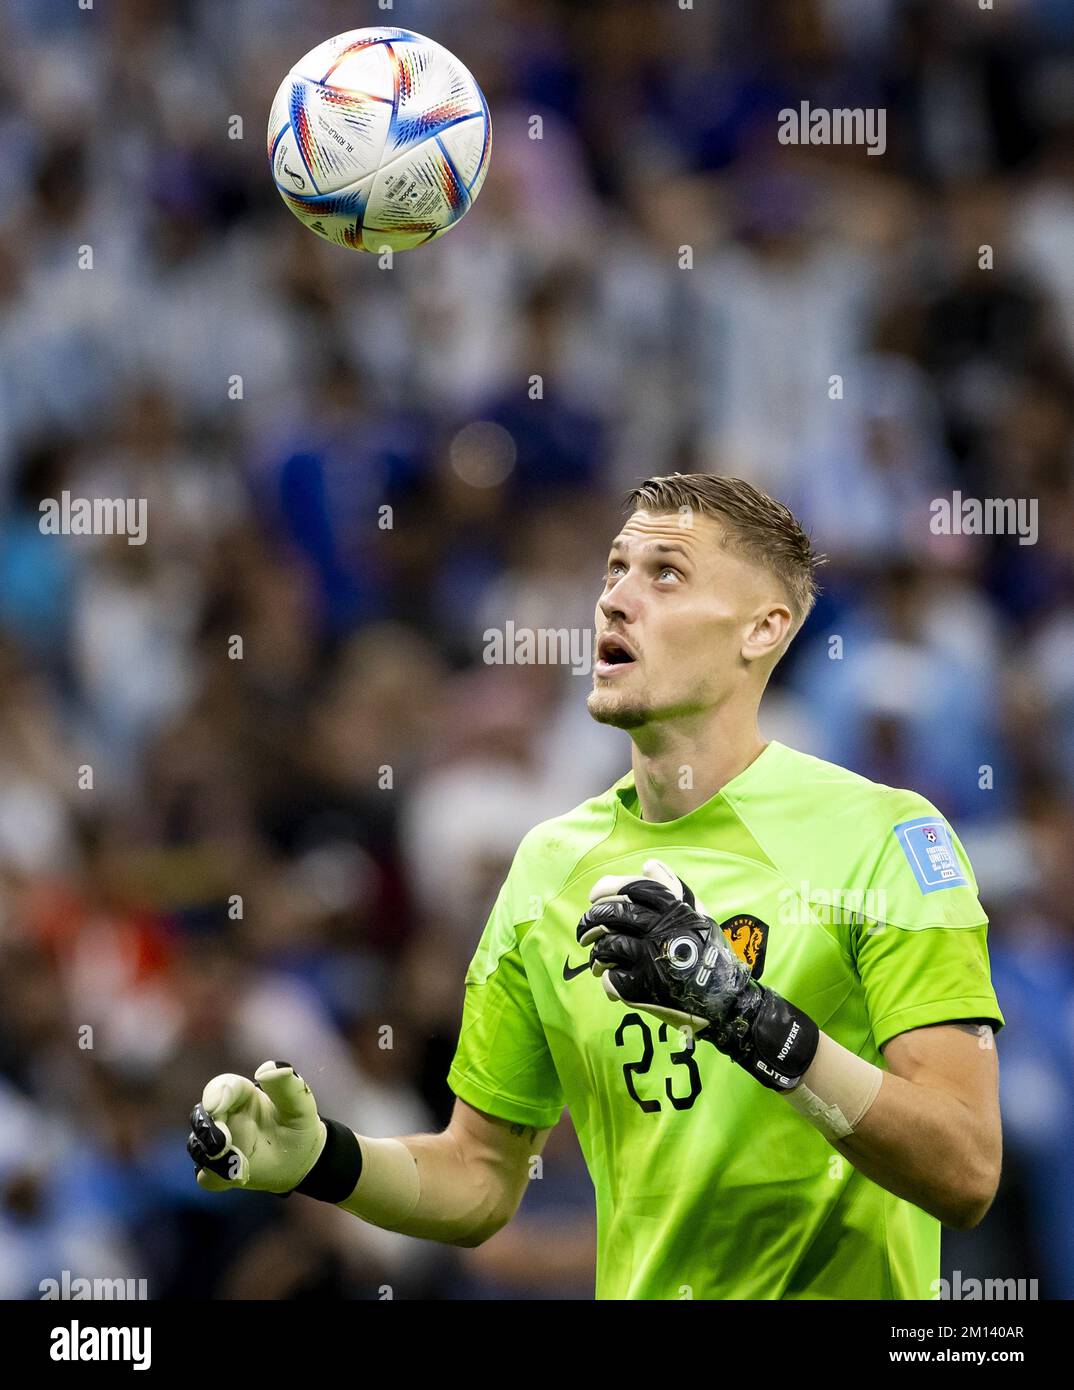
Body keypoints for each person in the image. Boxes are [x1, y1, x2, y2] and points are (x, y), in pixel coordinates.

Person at [188, 473, 1004, 1300]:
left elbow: (966, 1169)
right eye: (615, 569)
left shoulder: (887, 837)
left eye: (666, 574)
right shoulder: (548, 867)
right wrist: (323, 1160)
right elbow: (478, 1178)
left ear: (764, 628)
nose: (615, 599)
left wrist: (747, 1018)